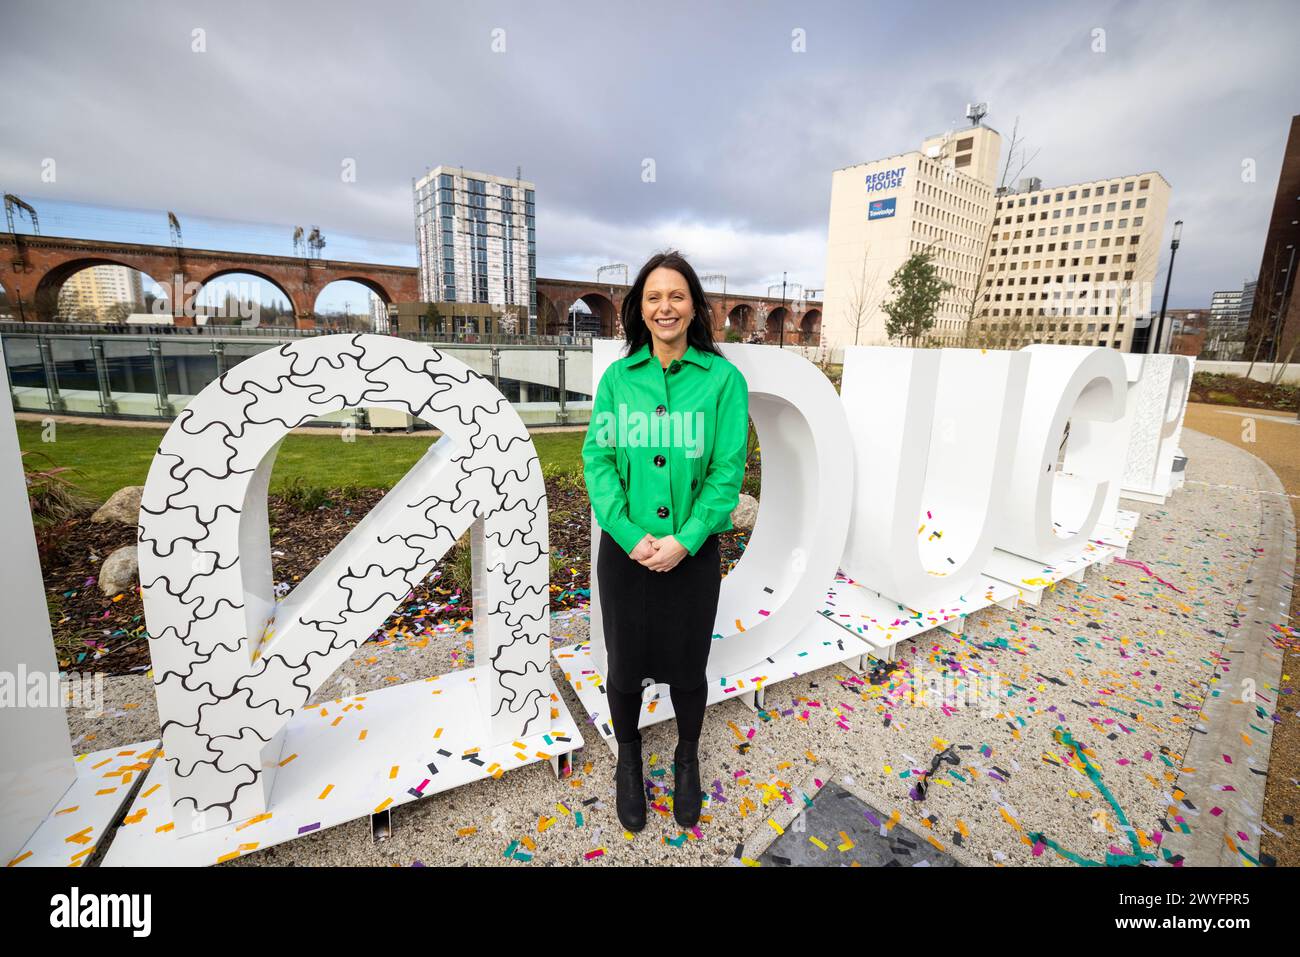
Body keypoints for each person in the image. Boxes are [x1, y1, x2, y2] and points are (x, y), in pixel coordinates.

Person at [581, 249, 750, 833]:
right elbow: (598, 460)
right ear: (639, 309)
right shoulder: (618, 380)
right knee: (624, 666)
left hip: (693, 553)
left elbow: (729, 471)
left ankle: (685, 756)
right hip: (627, 555)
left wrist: (687, 538)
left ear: (694, 306)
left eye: (676, 295)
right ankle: (629, 757)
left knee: (687, 665)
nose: (665, 307)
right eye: (653, 297)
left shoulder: (723, 380)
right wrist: (629, 535)